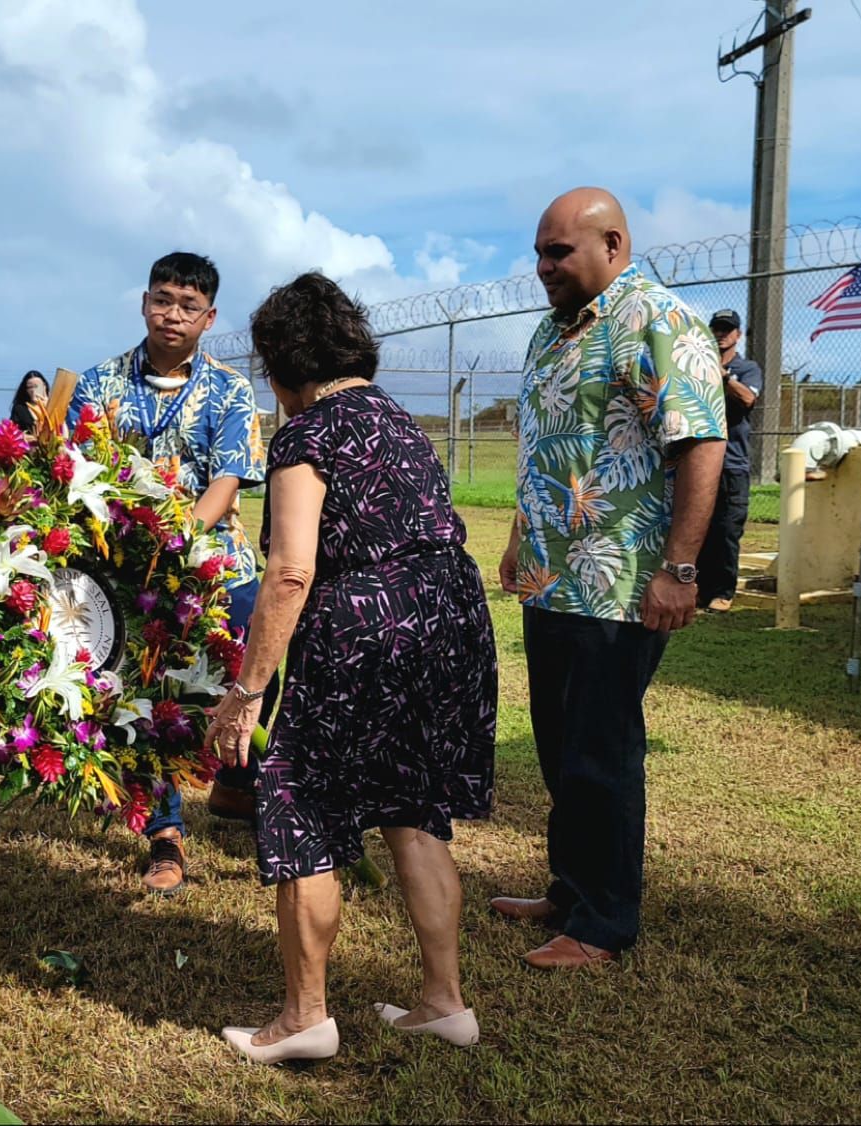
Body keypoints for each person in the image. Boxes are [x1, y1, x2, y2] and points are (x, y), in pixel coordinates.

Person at [205, 272, 497, 1064]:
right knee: (414, 807)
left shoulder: (307, 432)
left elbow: (291, 570)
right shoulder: (400, 420)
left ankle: (305, 1018)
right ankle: (444, 1003)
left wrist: (246, 691)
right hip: (449, 613)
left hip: (366, 621)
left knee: (301, 802)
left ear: (280, 364)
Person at [494, 187, 725, 969]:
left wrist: (681, 569)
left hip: (621, 580)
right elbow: (546, 447)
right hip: (552, 578)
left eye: (558, 252)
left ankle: (603, 923)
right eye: (539, 252)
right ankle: (569, 889)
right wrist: (522, 536)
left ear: (614, 246)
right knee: (561, 748)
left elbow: (699, 443)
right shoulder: (550, 333)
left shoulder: (655, 320)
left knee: (603, 751)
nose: (543, 267)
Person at [71, 251, 266, 895]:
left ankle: (239, 786)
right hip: (126, 571)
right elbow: (75, 472)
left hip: (215, 563)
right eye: (162, 300)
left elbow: (229, 478)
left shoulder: (232, 391)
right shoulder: (99, 385)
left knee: (246, 680)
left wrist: (181, 539)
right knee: (147, 699)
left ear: (209, 318)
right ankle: (165, 831)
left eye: (188, 306)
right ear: (144, 302)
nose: (171, 314)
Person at [696, 309, 763, 612]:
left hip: (731, 463)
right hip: (697, 461)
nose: (721, 334)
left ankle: (722, 592)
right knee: (697, 528)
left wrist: (723, 378)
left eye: (728, 329)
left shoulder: (746, 368)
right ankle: (697, 588)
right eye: (717, 328)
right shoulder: (696, 366)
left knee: (726, 530)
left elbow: (748, 399)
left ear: (738, 334)